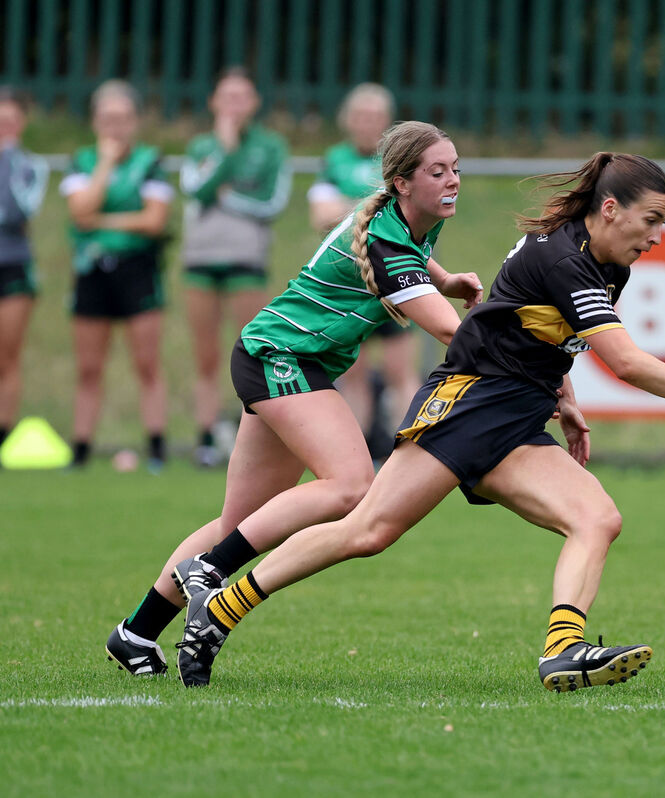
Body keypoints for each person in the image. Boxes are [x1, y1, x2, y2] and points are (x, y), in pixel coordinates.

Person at [170, 152, 665, 690]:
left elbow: (542, 330)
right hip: (471, 404)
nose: (657, 236)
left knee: (597, 518)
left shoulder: (606, 262)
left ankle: (561, 651)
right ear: (609, 209)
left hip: (517, 414)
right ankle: (222, 608)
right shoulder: (565, 258)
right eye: (652, 220)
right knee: (368, 531)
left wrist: (561, 394)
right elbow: (625, 362)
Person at [105, 121, 482, 676]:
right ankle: (209, 571)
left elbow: (409, 257)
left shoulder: (407, 224)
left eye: (456, 170)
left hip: (280, 356)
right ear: (402, 183)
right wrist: (534, 354)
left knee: (241, 519)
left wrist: (445, 280)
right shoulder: (385, 239)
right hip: (282, 360)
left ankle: (135, 633)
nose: (452, 181)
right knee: (351, 485)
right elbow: (456, 335)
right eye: (437, 172)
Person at [180, 67, 291, 467]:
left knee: (251, 351)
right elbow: (196, 188)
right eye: (227, 97)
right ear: (213, 102)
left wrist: (228, 199)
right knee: (206, 356)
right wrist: (225, 152)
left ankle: (254, 438)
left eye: (242, 97)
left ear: (255, 102)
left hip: (247, 258)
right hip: (201, 258)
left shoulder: (272, 147)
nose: (234, 105)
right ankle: (206, 438)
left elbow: (271, 203)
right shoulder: (201, 146)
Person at [60, 80, 173, 470]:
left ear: (136, 122)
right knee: (89, 368)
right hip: (92, 269)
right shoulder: (82, 161)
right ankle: (80, 451)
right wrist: (106, 164)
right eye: (108, 119)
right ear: (95, 121)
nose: (116, 127)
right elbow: (79, 211)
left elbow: (154, 219)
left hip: (138, 270)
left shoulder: (150, 161)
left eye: (124, 119)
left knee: (147, 363)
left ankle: (157, 448)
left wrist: (102, 219)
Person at [308, 83, 420, 458]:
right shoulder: (335, 159)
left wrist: (351, 208)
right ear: (347, 120)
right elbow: (321, 216)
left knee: (400, 373)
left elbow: (407, 215)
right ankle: (354, 461)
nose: (366, 123)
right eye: (360, 116)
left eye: (374, 117)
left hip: (395, 275)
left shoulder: (400, 160)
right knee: (351, 376)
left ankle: (409, 458)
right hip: (349, 285)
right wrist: (374, 210)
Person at [0, 87, 48, 451]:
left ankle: (2, 436)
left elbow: (18, 211)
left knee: (7, 355)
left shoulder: (30, 165)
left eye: (10, 119)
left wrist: (8, 158)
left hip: (13, 267)